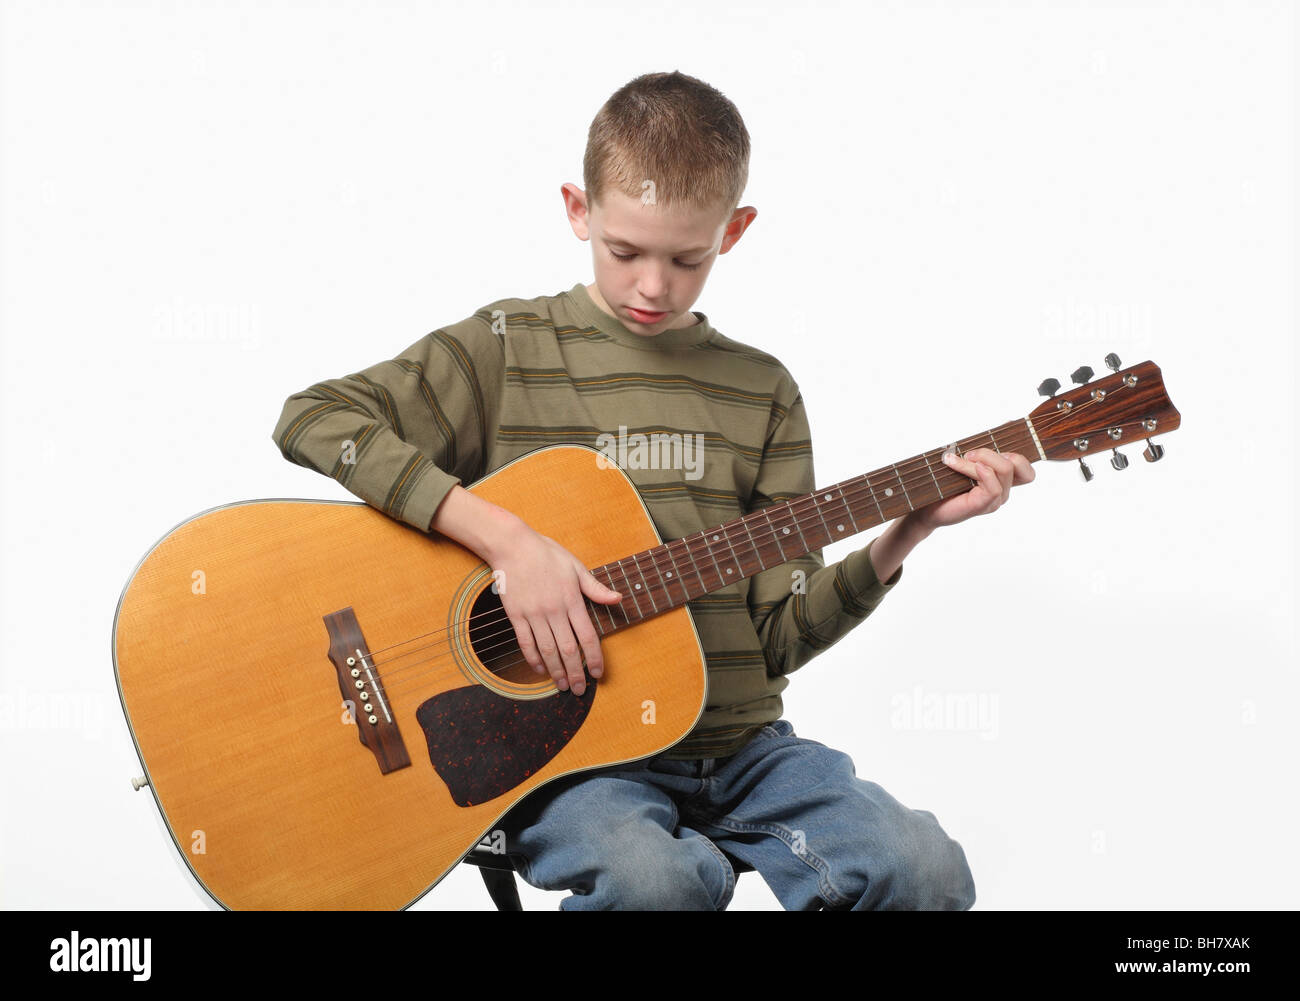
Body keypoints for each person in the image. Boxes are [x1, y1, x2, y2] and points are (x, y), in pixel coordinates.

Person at [272, 70, 1033, 910]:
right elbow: (316, 418)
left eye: (686, 258)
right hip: (574, 761)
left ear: (734, 231)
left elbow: (777, 636)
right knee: (657, 884)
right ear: (577, 209)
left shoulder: (762, 389)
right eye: (624, 250)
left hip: (746, 753)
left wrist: (905, 532)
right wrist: (510, 544)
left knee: (923, 868)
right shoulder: (505, 347)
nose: (652, 286)